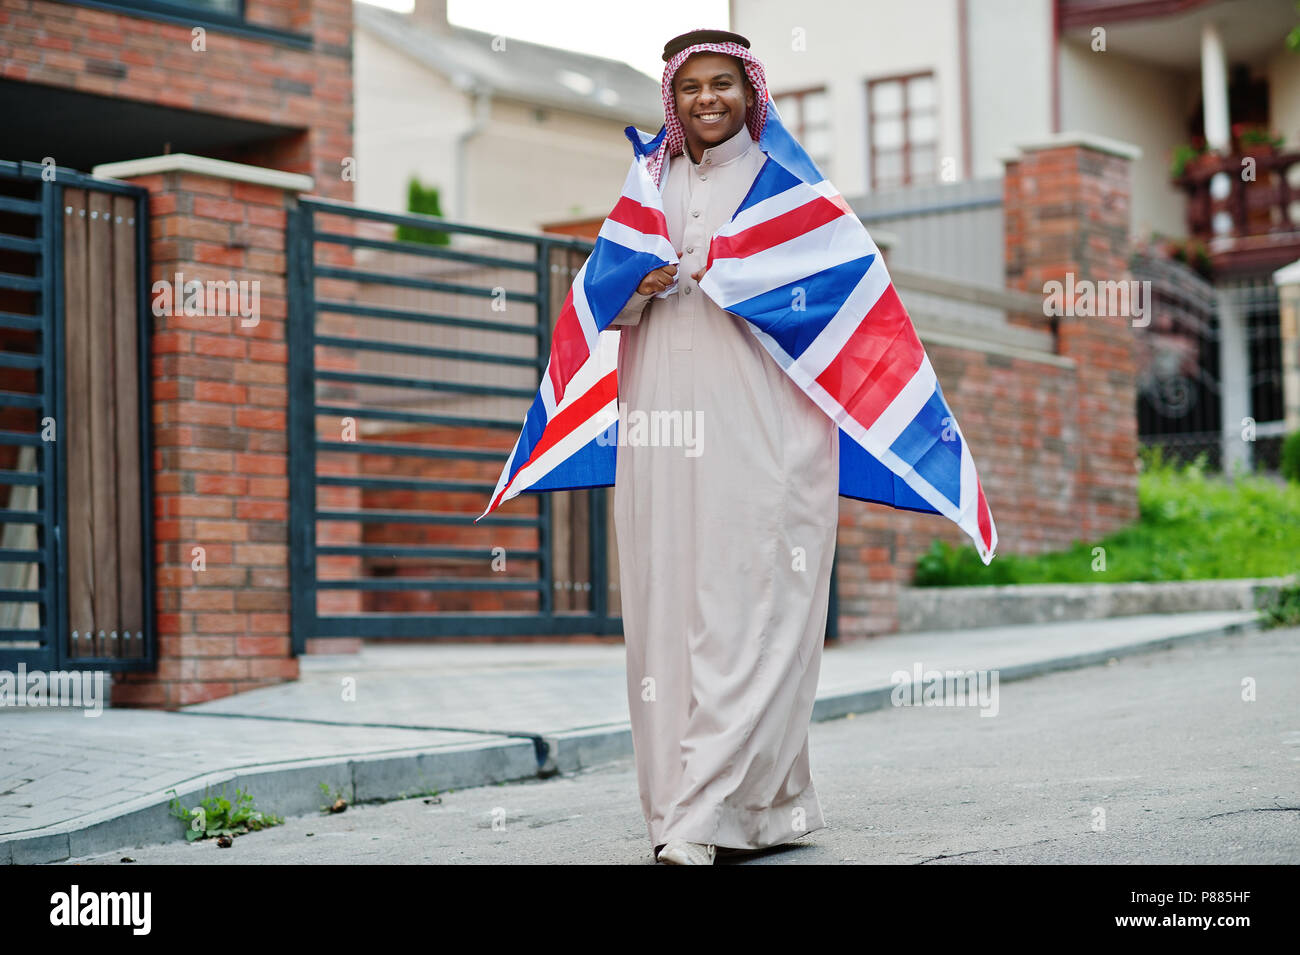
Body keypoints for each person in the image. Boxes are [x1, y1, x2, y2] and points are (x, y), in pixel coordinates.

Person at [609, 29, 839, 865]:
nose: (709, 100)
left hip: (765, 429)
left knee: (749, 609)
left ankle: (704, 819)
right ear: (672, 97)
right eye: (692, 87)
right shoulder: (646, 182)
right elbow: (599, 297)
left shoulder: (789, 185)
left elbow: (837, 301)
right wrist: (635, 287)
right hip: (663, 432)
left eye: (724, 85)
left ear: (751, 92)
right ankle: (712, 809)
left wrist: (752, 275)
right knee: (670, 613)